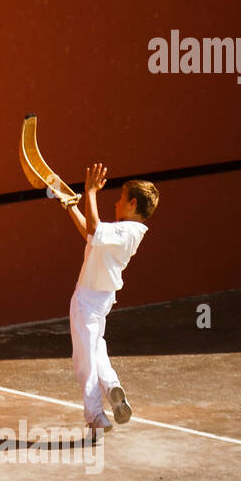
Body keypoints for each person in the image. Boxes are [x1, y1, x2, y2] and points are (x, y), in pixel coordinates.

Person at [61, 164, 159, 440]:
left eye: (119, 198)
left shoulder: (129, 231)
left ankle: (96, 417)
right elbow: (90, 234)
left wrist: (90, 192)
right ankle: (113, 388)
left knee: (85, 361)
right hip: (101, 300)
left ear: (132, 203)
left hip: (88, 300)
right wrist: (71, 206)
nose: (116, 202)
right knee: (96, 351)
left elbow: (94, 227)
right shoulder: (122, 232)